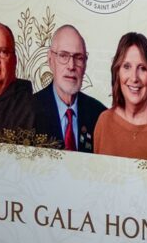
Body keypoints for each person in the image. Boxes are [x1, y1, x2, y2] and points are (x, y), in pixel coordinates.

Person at [92, 32, 147, 162]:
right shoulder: (104, 122)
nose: (134, 78)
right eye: (126, 66)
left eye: (142, 68)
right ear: (117, 73)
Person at [28, 24, 108, 153]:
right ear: (50, 60)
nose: (71, 66)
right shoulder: (28, 112)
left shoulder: (100, 115)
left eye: (78, 58)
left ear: (85, 64)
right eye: (63, 56)